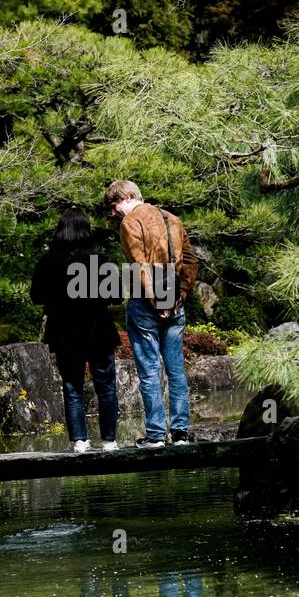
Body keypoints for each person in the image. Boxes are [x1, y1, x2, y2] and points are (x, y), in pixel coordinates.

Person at [104, 179, 197, 448]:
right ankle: (181, 433)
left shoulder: (131, 223)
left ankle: (156, 435)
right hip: (175, 301)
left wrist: (159, 302)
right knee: (176, 370)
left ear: (129, 197)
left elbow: (140, 266)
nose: (113, 213)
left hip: (148, 303)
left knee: (149, 371)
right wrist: (180, 294)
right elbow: (190, 261)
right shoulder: (173, 219)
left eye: (114, 205)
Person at [30, 206, 120, 454]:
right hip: (97, 329)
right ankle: (109, 440)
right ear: (86, 229)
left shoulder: (48, 261)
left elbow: (36, 296)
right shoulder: (98, 259)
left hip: (64, 332)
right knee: (106, 386)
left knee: (72, 386)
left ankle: (80, 440)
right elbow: (115, 297)